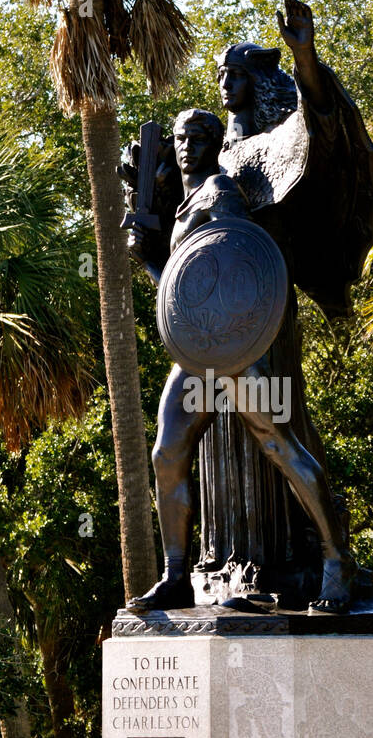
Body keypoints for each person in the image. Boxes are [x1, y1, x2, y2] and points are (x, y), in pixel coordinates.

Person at [126, 107, 356, 615]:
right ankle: (176, 576)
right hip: (199, 351)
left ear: (214, 145)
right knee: (166, 453)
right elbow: (180, 295)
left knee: (278, 443)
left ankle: (337, 560)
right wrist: (148, 260)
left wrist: (237, 337)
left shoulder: (220, 194)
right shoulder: (185, 204)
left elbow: (239, 268)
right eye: (180, 139)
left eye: (197, 138)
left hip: (232, 347)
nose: (186, 147)